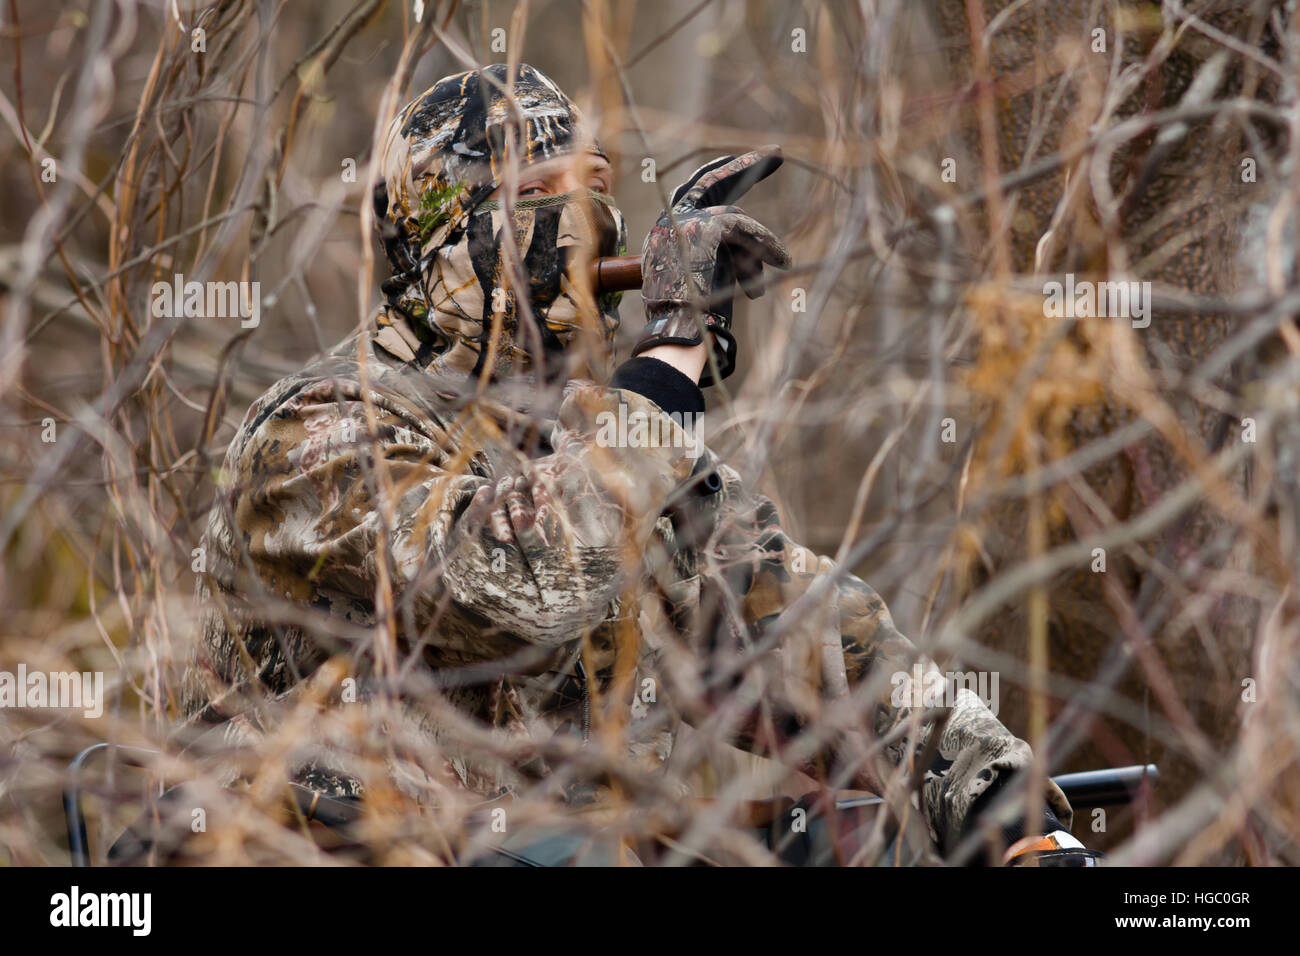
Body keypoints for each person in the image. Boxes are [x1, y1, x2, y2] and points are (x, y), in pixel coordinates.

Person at [179, 62, 1078, 865]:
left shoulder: (589, 437)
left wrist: (1008, 808)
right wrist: (672, 356)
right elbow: (518, 585)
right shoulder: (317, 434)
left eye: (596, 191)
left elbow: (794, 630)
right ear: (449, 232)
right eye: (542, 192)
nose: (587, 223)